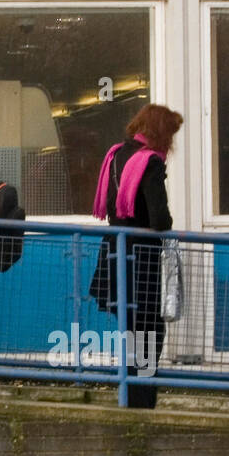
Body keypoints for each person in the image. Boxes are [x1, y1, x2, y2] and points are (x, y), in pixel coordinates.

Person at [91, 103, 183, 409]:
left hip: (115, 256)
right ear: (161, 134)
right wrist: (168, 226)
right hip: (140, 262)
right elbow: (159, 218)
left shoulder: (116, 154)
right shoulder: (150, 163)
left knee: (132, 333)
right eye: (170, 135)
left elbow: (113, 208)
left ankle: (131, 399)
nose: (172, 143)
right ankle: (140, 405)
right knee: (149, 332)